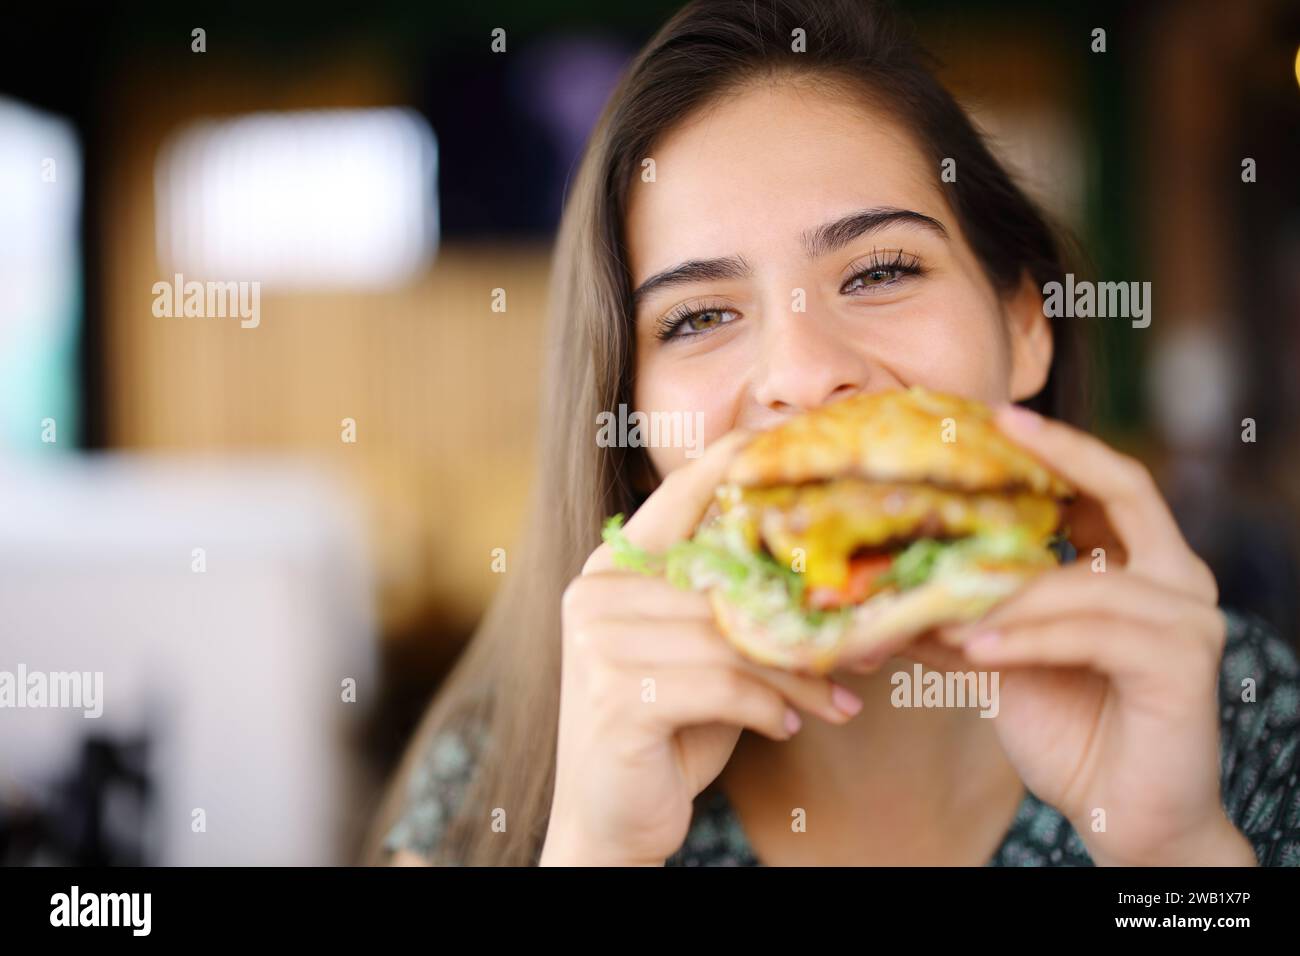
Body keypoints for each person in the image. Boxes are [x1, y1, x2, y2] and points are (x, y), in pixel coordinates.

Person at [367, 0, 1300, 867]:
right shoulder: (491, 786)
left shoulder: (1241, 710)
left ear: (1024, 326)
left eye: (881, 270)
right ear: (628, 417)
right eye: (695, 318)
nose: (808, 374)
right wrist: (596, 849)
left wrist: (1177, 853)